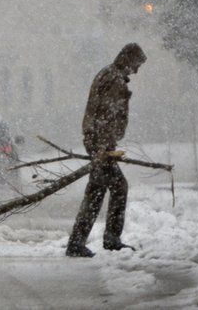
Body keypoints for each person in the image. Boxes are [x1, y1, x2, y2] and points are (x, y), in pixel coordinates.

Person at [66, 43, 147, 257]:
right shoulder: (114, 79)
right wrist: (103, 146)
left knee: (97, 190)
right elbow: (107, 114)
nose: (137, 70)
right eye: (136, 64)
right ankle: (105, 239)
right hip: (100, 143)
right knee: (117, 187)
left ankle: (80, 242)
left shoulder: (108, 73)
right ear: (127, 59)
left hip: (98, 141)